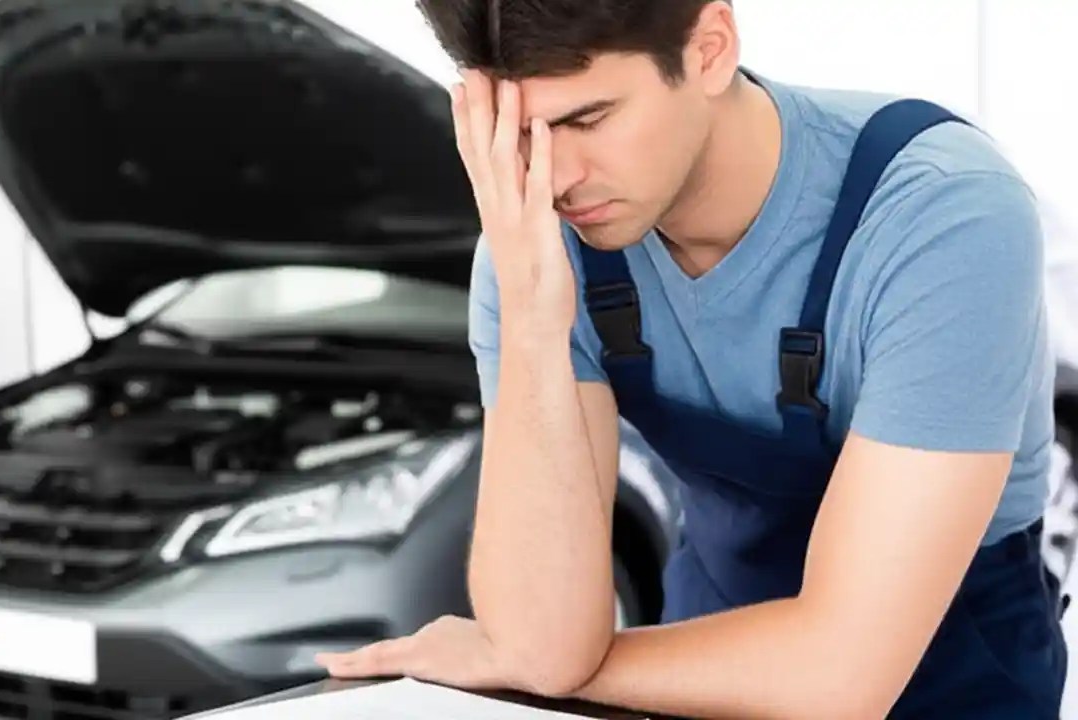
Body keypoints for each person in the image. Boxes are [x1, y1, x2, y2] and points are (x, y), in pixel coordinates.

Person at [314, 1, 1068, 716]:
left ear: (710, 49)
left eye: (589, 118)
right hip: (687, 673)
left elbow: (843, 678)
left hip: (953, 688)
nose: (558, 177)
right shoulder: (541, 247)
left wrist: (560, 664)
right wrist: (531, 315)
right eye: (520, 135)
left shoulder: (943, 215)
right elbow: (540, 640)